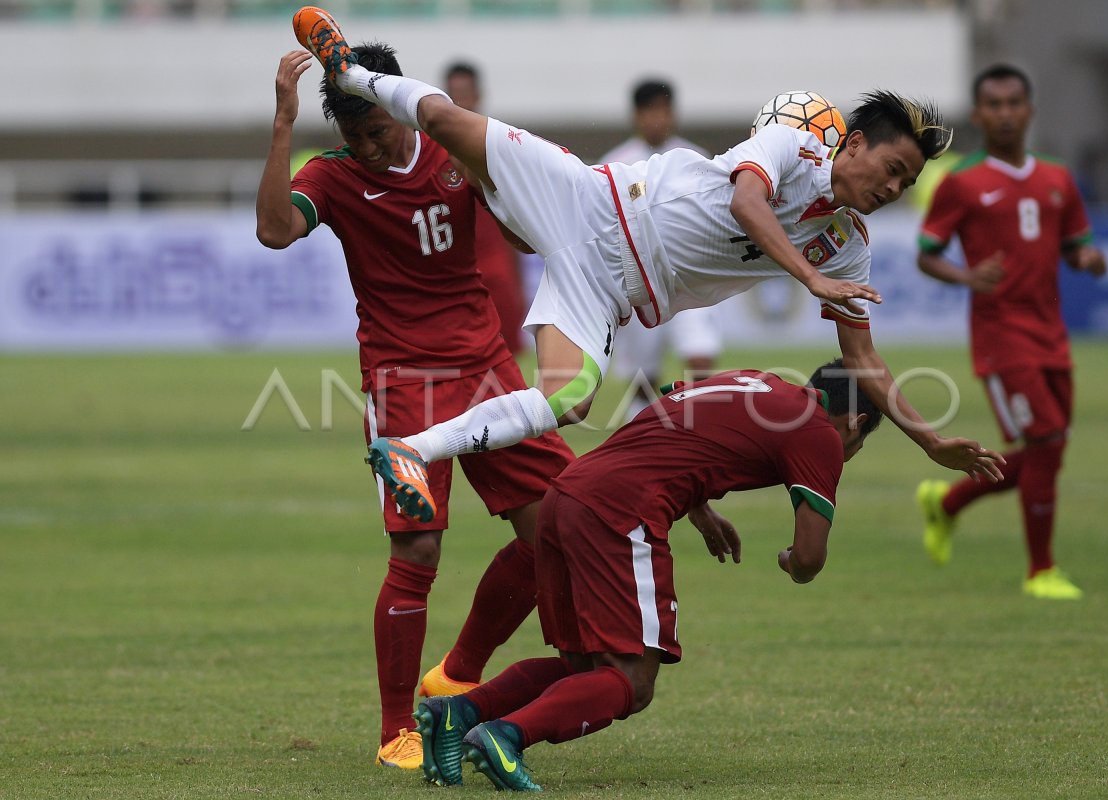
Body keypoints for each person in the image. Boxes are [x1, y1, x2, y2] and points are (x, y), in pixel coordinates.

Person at [290, 6, 1003, 529]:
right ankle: (347, 66)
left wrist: (929, 437)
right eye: (892, 167)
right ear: (851, 147)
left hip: (606, 288)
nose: (893, 188)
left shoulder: (848, 248)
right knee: (447, 121)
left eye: (906, 183)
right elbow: (748, 202)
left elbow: (863, 359)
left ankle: (411, 449)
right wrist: (810, 280)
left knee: (568, 400)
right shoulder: (794, 144)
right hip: (590, 202)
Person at [255, 42, 574, 769]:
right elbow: (275, 231)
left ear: (400, 107)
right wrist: (282, 124)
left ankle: (459, 672)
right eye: (354, 137)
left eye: (378, 131)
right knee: (419, 547)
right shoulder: (331, 178)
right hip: (403, 383)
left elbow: (527, 237)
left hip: (488, 369)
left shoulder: (453, 146)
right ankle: (395, 728)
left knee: (554, 528)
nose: (368, 147)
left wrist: (491, 180)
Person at [414, 358, 883, 790]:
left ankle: (460, 711)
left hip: (568, 495)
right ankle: (505, 736)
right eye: (859, 446)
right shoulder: (819, 431)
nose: (851, 453)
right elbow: (809, 558)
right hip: (620, 512)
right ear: (857, 422)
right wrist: (790, 562)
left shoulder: (758, 382)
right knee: (632, 681)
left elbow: (672, 411)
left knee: (585, 669)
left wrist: (699, 509)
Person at [914, 64, 1107, 600]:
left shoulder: (1057, 178)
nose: (1003, 113)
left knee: (1049, 450)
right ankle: (1041, 570)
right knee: (1044, 440)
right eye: (993, 104)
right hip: (1001, 336)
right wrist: (966, 275)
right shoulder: (962, 182)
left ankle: (946, 503)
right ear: (978, 114)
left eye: (1013, 103)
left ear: (1029, 110)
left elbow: (1073, 244)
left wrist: (1087, 257)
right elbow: (927, 255)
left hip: (1052, 334)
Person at [600, 78, 722, 421]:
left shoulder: (696, 159)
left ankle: (699, 426)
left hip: (692, 276)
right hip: (641, 282)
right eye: (650, 111)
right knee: (643, 376)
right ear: (636, 116)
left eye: (664, 111)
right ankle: (645, 431)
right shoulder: (617, 164)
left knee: (700, 357)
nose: (658, 119)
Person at [443, 60, 530, 355]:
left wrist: (518, 283)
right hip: (453, 276)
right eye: (453, 93)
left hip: (497, 270)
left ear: (479, 95)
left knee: (505, 362)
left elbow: (516, 220)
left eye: (465, 92)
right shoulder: (432, 151)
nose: (460, 100)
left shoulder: (499, 146)